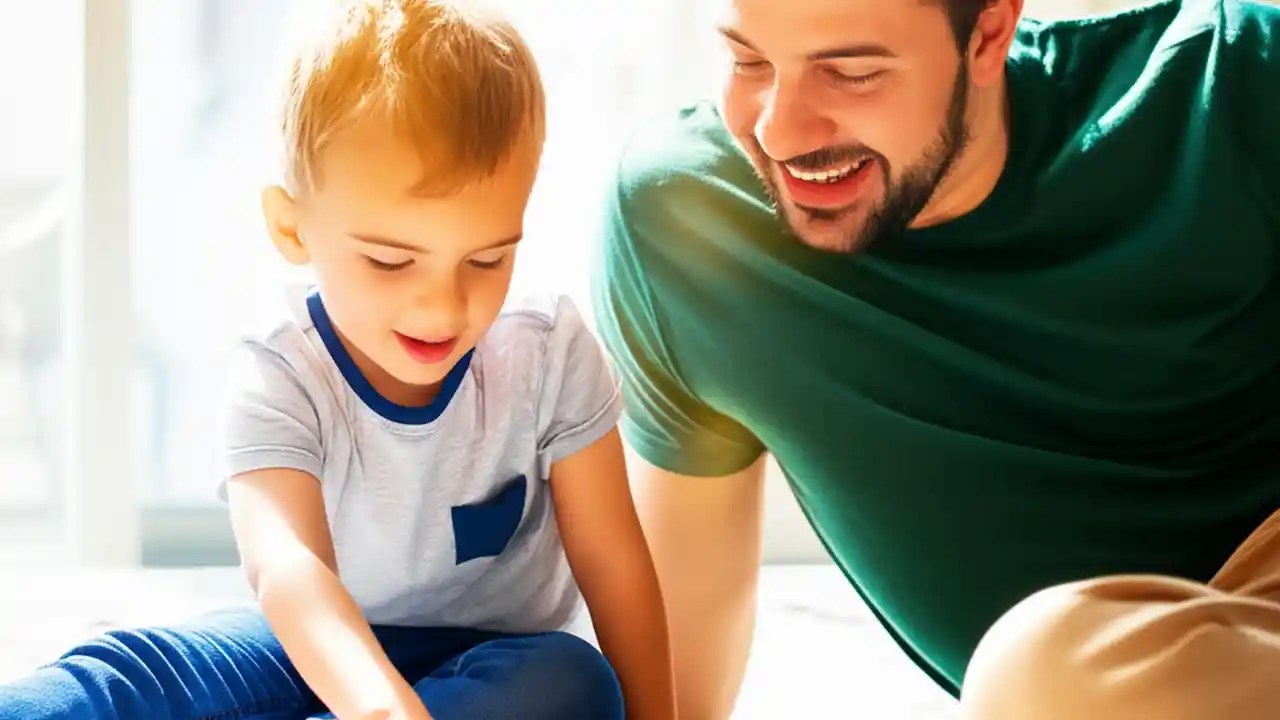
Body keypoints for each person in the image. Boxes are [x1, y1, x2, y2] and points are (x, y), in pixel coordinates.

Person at [592, 0, 1280, 717]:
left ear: (987, 35)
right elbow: (674, 687)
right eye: (747, 62)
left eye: (851, 72)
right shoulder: (685, 228)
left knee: (1041, 676)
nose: (779, 130)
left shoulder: (1232, 82)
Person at [0, 1, 676, 719]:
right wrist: (382, 708)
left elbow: (616, 567)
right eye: (391, 261)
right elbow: (289, 572)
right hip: (303, 641)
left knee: (574, 684)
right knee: (128, 678)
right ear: (293, 228)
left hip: (495, 657)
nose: (442, 307)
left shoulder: (552, 353)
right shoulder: (278, 372)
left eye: (487, 258)